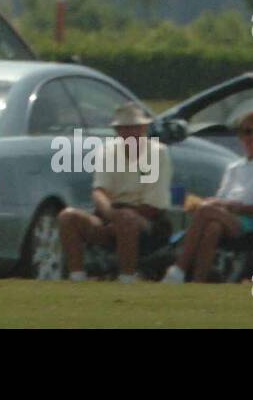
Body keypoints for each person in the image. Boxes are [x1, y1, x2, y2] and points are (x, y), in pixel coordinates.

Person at [162, 111, 253, 283]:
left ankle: (179, 268)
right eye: (247, 132)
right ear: (240, 136)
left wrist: (228, 206)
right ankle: (198, 283)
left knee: (207, 211)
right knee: (213, 227)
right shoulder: (234, 167)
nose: (252, 137)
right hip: (233, 219)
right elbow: (220, 201)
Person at [58, 103, 173, 283]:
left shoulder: (157, 153)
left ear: (143, 128)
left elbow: (153, 205)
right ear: (117, 131)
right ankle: (76, 276)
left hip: (149, 222)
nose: (129, 133)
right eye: (124, 128)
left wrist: (121, 218)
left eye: (133, 128)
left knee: (126, 219)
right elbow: (99, 191)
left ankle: (126, 278)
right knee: (68, 217)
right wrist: (111, 214)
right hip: (111, 214)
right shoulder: (108, 151)